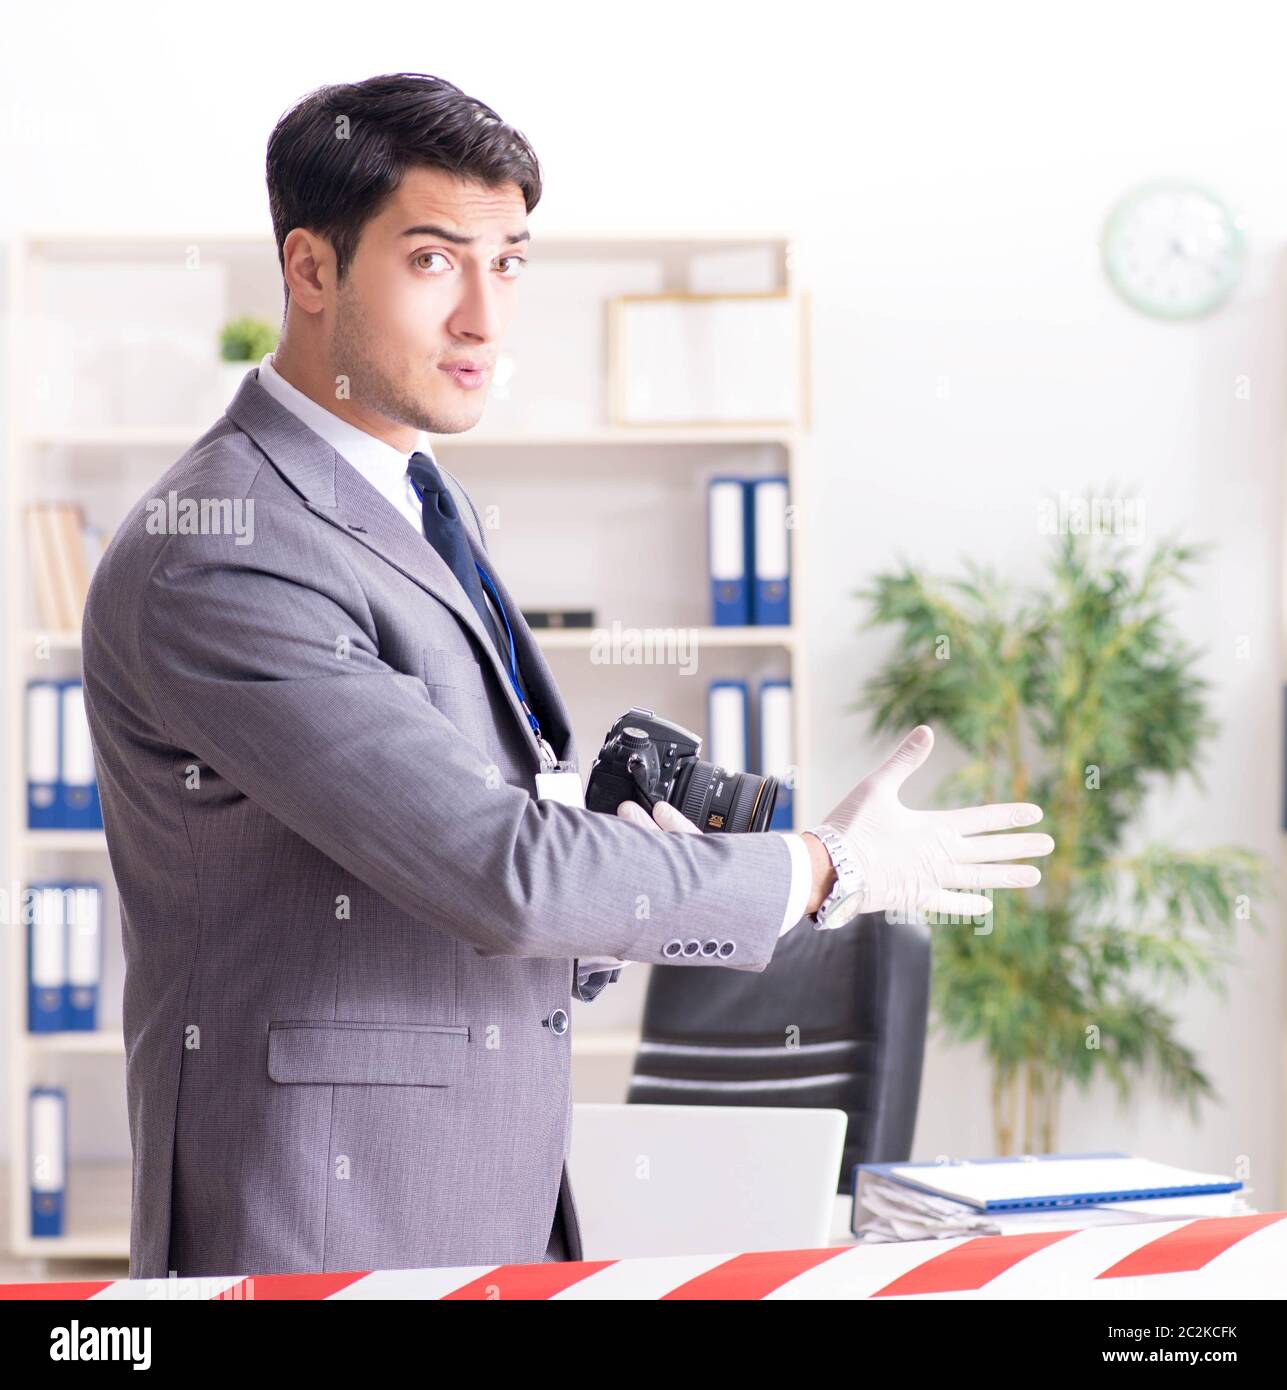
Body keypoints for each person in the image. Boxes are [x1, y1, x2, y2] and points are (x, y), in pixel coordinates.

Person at [81, 72, 1054, 1279]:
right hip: (326, 1223)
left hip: (493, 1206)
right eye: (435, 261)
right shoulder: (220, 547)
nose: (487, 317)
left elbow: (491, 854)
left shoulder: (418, 502)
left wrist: (631, 867)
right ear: (313, 269)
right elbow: (495, 869)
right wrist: (820, 866)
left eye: (513, 262)